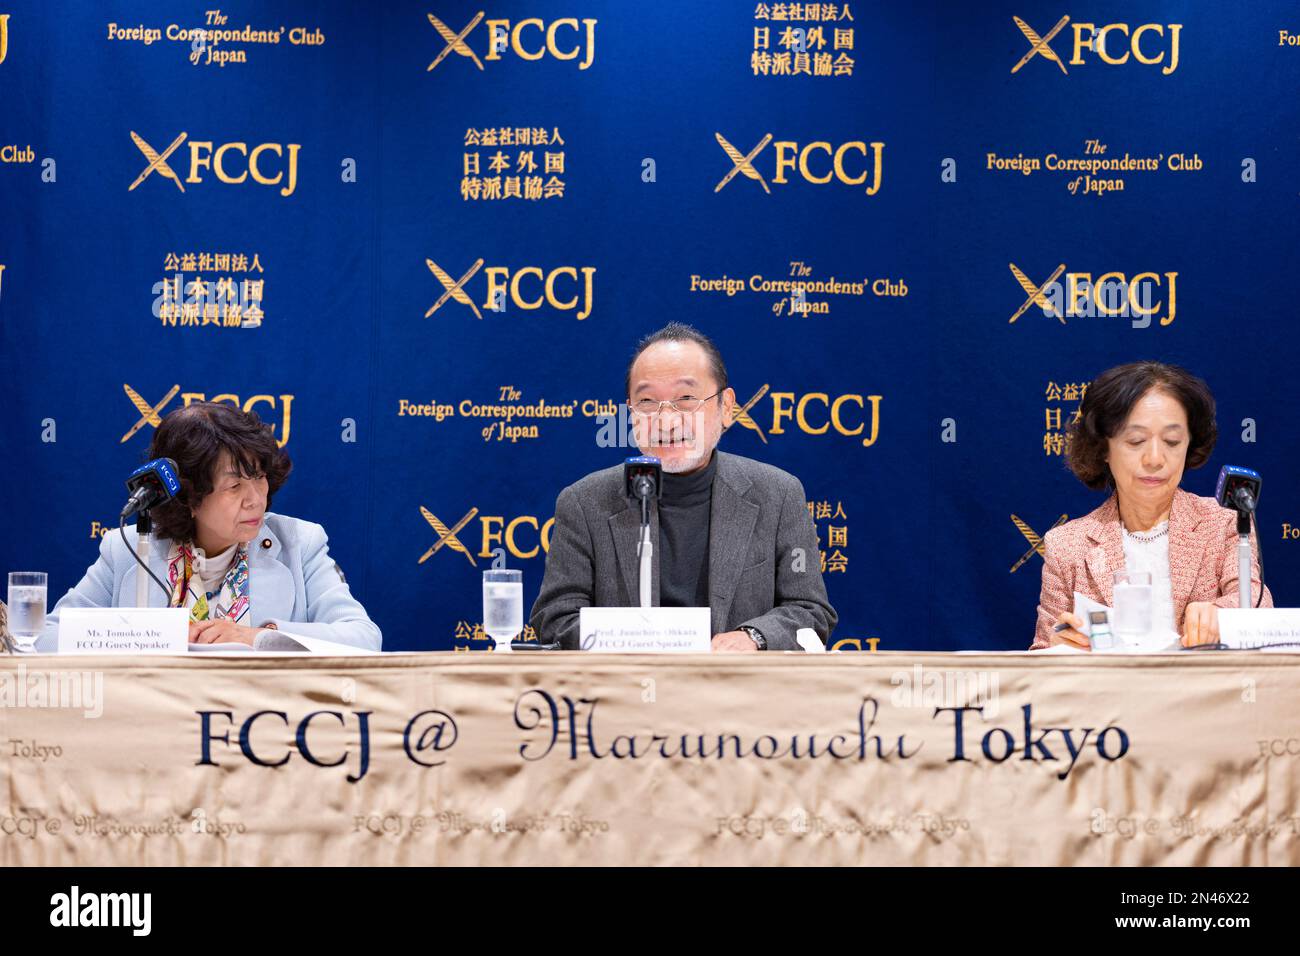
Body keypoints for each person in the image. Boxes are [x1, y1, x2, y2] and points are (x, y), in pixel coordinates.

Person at [530, 322, 837, 651]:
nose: (666, 420)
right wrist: (635, 641)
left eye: (686, 398)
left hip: (736, 693)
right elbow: (556, 619)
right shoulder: (584, 502)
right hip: (625, 694)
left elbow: (810, 612)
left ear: (726, 408)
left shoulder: (778, 495)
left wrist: (754, 638)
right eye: (647, 402)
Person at [40, 402, 381, 651]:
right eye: (234, 487)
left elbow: (364, 639)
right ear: (189, 497)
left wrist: (259, 636)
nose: (256, 499)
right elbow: (46, 638)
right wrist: (147, 637)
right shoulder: (127, 549)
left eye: (259, 477)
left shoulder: (299, 543)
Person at [1033, 361, 1270, 650]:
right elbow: (1041, 664)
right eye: (1136, 441)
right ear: (1104, 448)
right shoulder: (1067, 545)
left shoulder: (1223, 524)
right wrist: (1059, 649)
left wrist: (1222, 617)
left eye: (1172, 441)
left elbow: (1259, 611)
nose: (1155, 458)